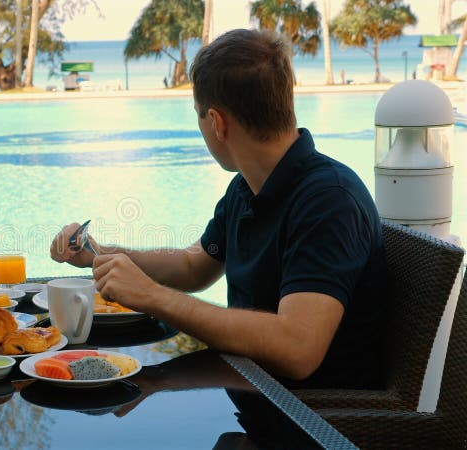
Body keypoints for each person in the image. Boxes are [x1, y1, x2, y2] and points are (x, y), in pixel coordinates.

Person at [50, 29, 388, 389]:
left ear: (217, 122)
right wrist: (99, 253)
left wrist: (153, 297)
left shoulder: (328, 201)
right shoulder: (247, 187)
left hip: (307, 411)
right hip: (245, 386)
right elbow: (193, 266)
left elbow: (297, 349)